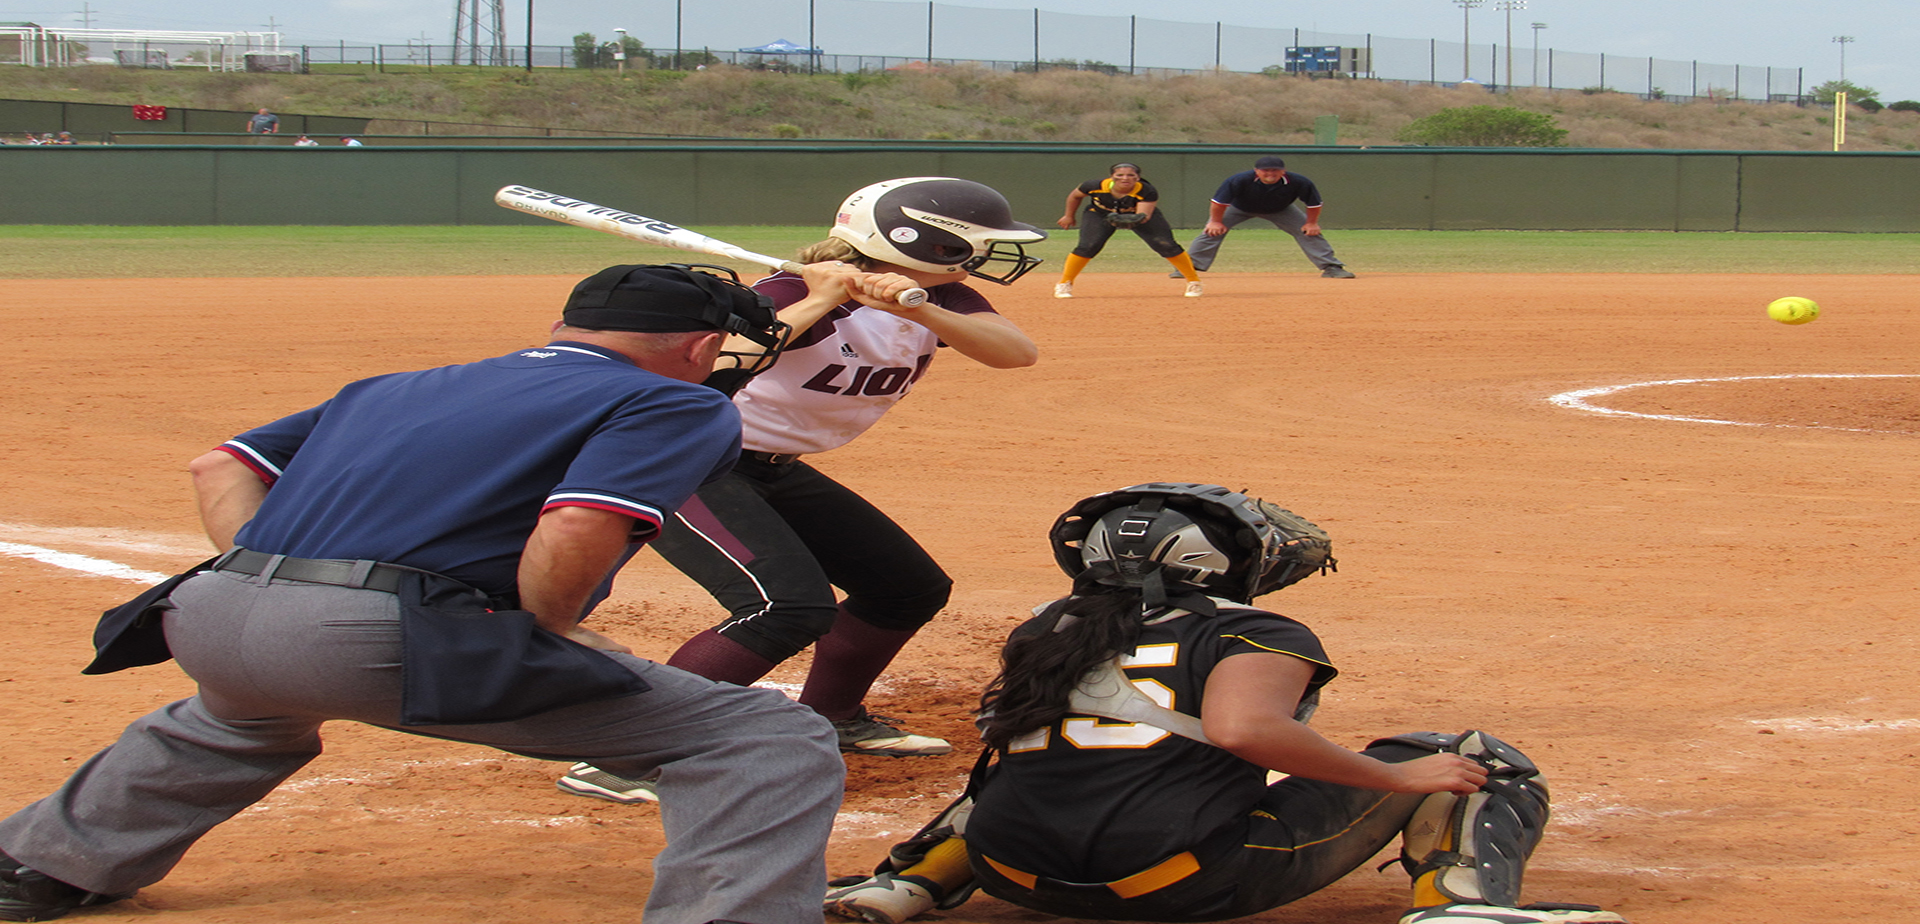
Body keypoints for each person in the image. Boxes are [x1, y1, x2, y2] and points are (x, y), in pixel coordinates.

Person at [0, 264, 847, 924]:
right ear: (701, 348)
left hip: (210, 613)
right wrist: (548, 629)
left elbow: (219, 465)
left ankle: (37, 866)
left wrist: (270, 578)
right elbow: (578, 521)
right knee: (765, 737)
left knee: (238, 721)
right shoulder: (672, 400)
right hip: (370, 637)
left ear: (567, 327)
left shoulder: (401, 384)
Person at [822, 483, 1627, 924]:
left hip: (1015, 873)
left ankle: (903, 885)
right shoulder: (1256, 628)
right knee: (1466, 757)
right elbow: (1244, 730)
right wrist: (1396, 779)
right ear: (1209, 565)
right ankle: (1464, 909)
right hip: (1174, 882)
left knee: (1038, 762)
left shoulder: (1047, 625)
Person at [558, 177, 1045, 806]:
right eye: (973, 243)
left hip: (772, 466)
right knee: (785, 605)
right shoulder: (788, 293)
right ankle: (624, 754)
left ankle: (832, 716)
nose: (984, 256)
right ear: (919, 240)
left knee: (905, 588)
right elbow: (713, 366)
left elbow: (1016, 353)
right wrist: (820, 301)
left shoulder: (942, 295)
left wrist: (915, 307)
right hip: (688, 462)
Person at [1179, 155, 1356, 279]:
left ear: (1283, 171)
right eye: (1265, 170)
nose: (1270, 173)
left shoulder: (1299, 182)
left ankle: (1331, 267)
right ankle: (1188, 268)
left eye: (1275, 170)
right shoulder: (1239, 180)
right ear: (1256, 171)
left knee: (1309, 232)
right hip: (1239, 208)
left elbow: (1314, 204)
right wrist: (1215, 221)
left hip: (1281, 210)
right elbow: (1218, 203)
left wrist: (1311, 223)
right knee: (1211, 231)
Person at [1054, 163, 1204, 299]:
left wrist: (1129, 220)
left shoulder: (1146, 190)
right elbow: (1075, 196)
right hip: (1099, 213)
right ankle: (1065, 283)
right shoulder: (1094, 185)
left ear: (1137, 178)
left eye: (1130, 175)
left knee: (1166, 245)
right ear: (1111, 176)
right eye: (1119, 175)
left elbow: (1143, 216)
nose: (1125, 178)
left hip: (1135, 214)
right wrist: (1068, 216)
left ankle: (1193, 281)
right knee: (1088, 246)